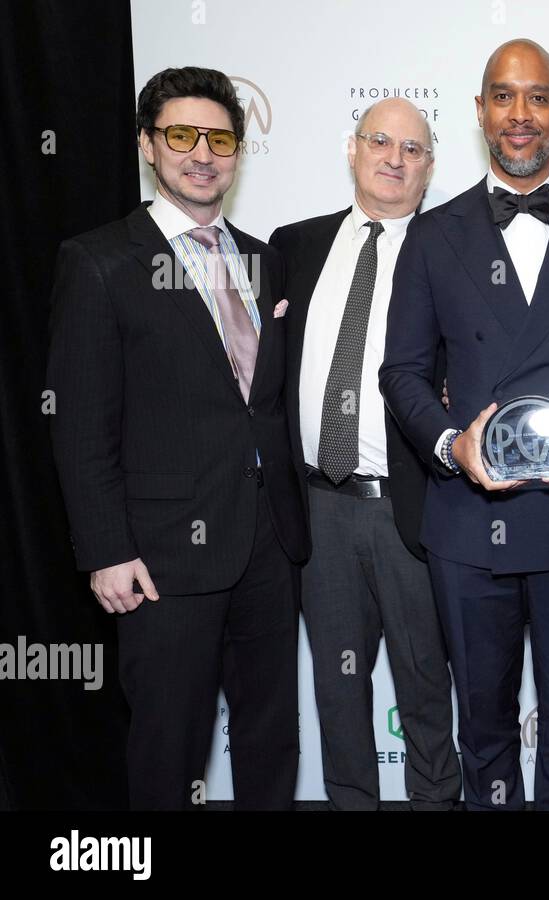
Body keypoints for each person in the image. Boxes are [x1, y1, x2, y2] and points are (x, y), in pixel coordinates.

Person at [379, 39, 549, 810]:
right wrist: (448, 444)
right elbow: (400, 371)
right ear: (480, 112)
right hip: (468, 525)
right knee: (484, 725)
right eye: (504, 96)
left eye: (537, 98)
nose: (520, 115)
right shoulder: (432, 236)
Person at [46, 66, 308, 809]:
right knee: (169, 744)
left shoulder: (264, 258)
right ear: (147, 147)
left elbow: (265, 403)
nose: (204, 153)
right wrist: (105, 550)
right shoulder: (99, 261)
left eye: (220, 137)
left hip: (269, 540)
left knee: (269, 738)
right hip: (159, 553)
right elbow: (79, 423)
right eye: (182, 135)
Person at [268, 98, 461, 810]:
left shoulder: (454, 254)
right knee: (337, 694)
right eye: (380, 141)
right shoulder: (292, 247)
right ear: (353, 149)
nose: (395, 158)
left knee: (425, 687)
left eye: (413, 149)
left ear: (430, 167)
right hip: (319, 512)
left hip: (413, 510)